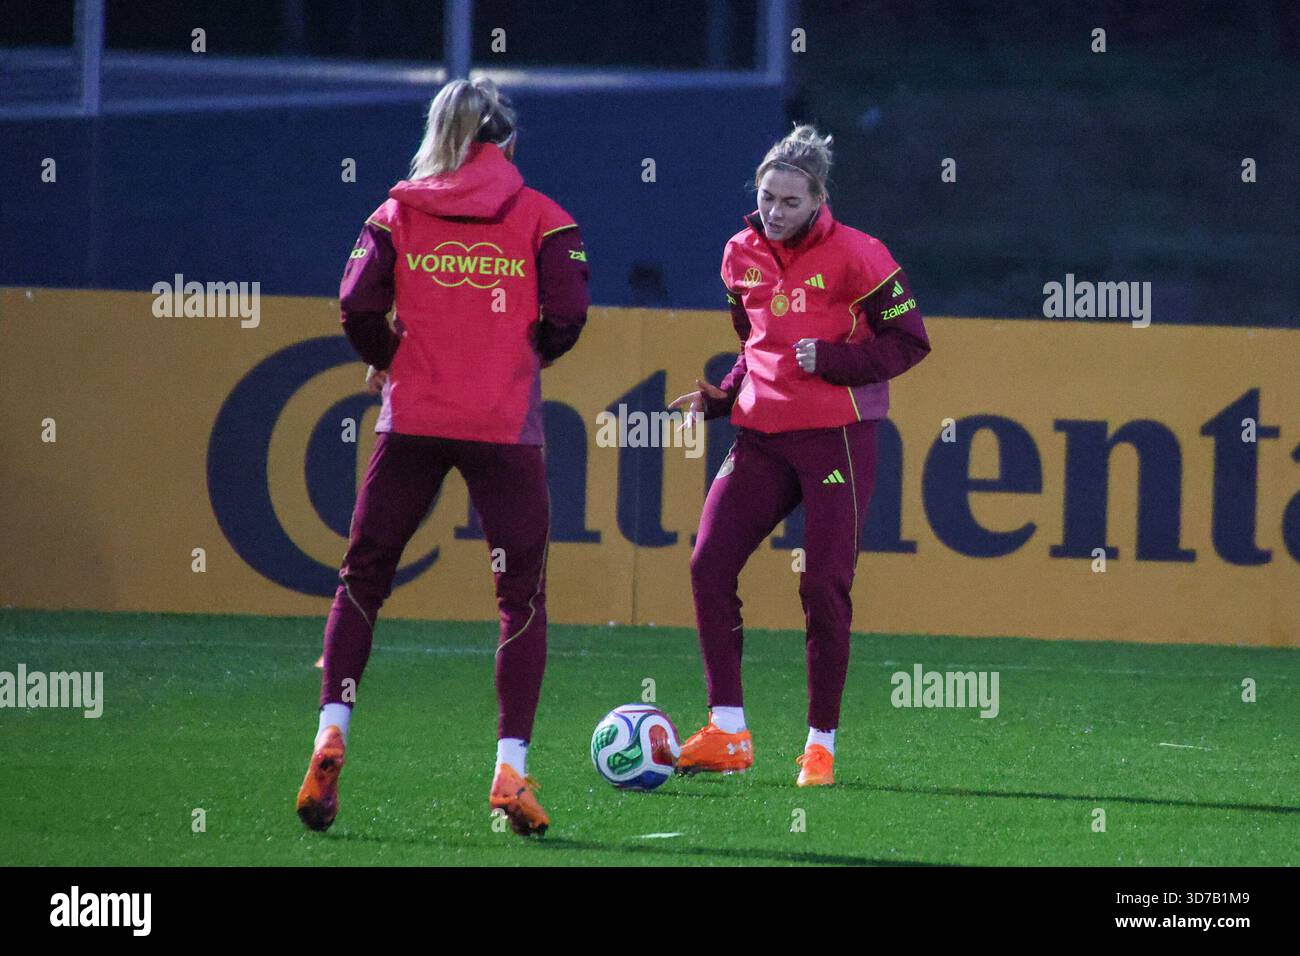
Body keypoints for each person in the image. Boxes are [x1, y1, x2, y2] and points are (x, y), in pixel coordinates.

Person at [296, 78, 590, 837]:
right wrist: (521, 357)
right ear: (509, 142)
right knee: (519, 599)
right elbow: (569, 314)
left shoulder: (396, 212)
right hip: (503, 426)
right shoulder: (545, 218)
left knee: (363, 578)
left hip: (414, 420)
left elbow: (355, 305)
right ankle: (510, 770)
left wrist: (392, 356)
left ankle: (332, 731)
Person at [669, 125, 930, 787]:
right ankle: (727, 730)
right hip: (761, 437)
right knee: (707, 564)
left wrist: (837, 360)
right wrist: (721, 397)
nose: (777, 211)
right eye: (768, 198)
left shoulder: (861, 256)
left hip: (836, 438)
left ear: (818, 199)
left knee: (821, 585)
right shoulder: (738, 253)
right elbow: (754, 344)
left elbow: (909, 343)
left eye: (791, 200)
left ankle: (819, 745)